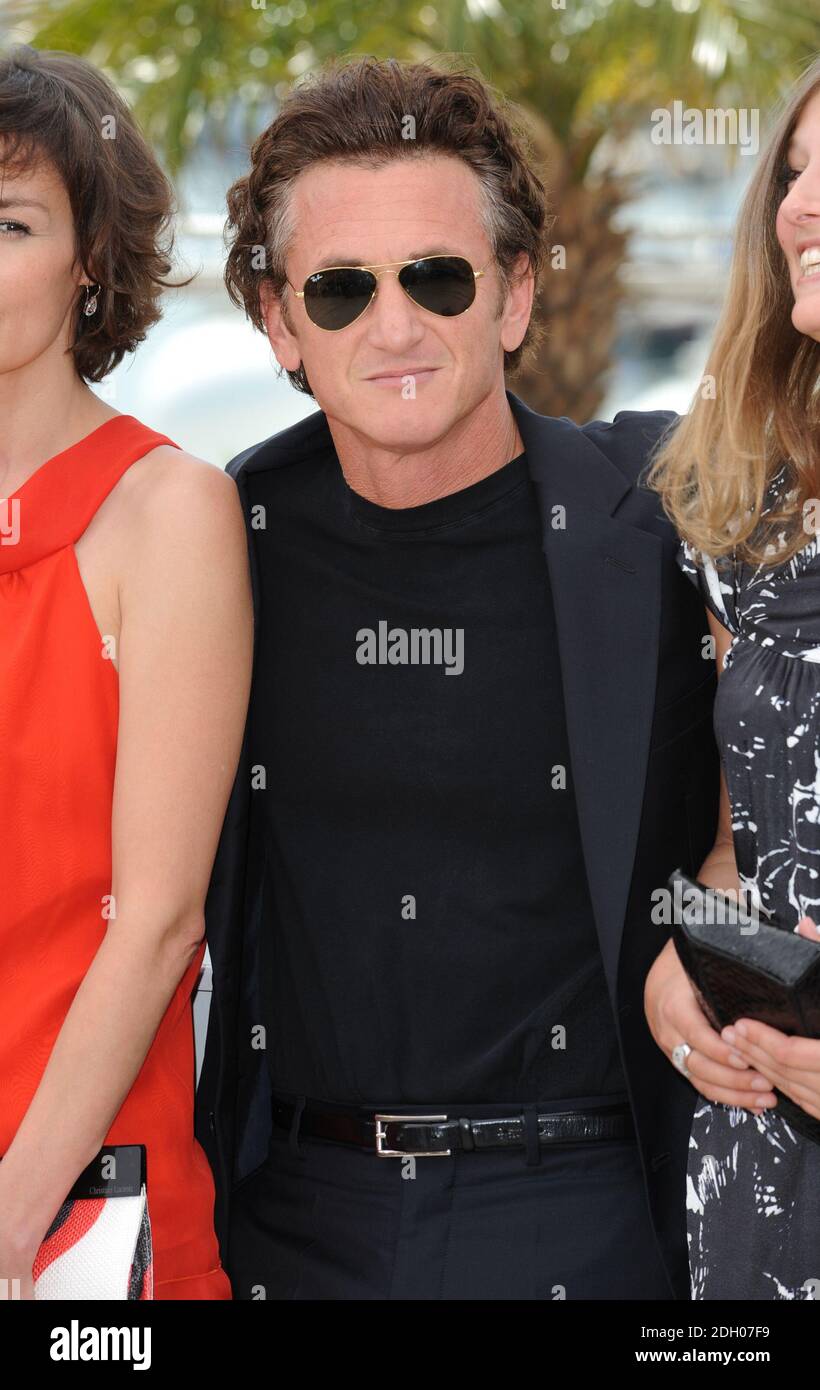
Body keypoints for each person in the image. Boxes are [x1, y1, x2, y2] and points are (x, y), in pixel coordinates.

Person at [196, 54, 730, 1301]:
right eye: (340, 289)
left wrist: (718, 898)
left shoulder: (657, 522)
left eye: (437, 277)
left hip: (594, 1206)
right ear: (278, 319)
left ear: (515, 297)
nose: (394, 326)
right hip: (291, 1217)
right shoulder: (219, 540)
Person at [0, 46, 252, 1299]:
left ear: (89, 256)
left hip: (82, 1211)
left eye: (9, 220)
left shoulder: (170, 514)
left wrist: (11, 1214)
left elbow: (156, 925)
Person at [645, 57, 820, 1300]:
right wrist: (686, 960)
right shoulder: (748, 516)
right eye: (796, 173)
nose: (799, 207)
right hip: (762, 1164)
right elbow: (733, 850)